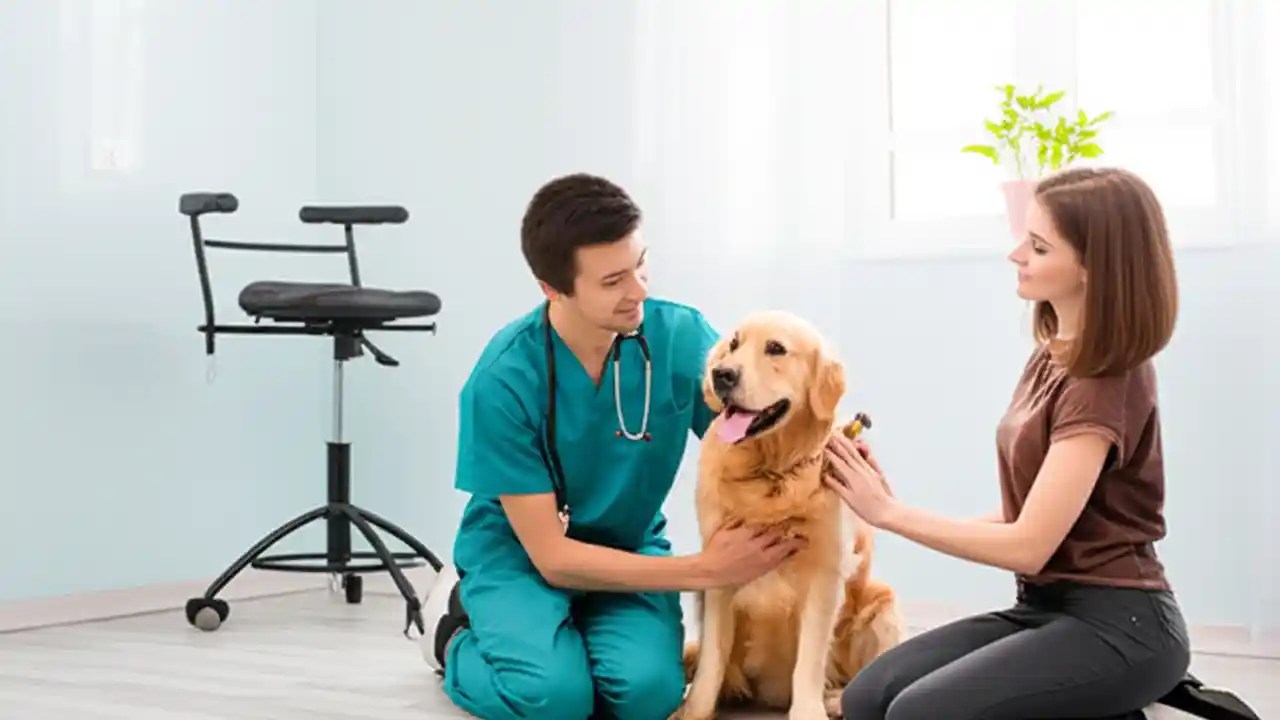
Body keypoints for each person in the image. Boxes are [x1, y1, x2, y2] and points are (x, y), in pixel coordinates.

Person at [420, 172, 805, 720]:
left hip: (627, 547)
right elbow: (552, 558)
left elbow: (757, 430)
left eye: (641, 263)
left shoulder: (680, 338)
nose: (640, 290)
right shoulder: (504, 379)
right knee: (554, 700)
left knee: (647, 697)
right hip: (521, 559)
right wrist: (706, 569)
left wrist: (829, 453)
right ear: (553, 288)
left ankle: (566, 643)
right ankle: (452, 634)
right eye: (614, 280)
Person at [823, 166, 1189, 720]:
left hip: (1123, 623)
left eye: (1038, 247)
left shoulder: (1106, 380)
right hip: (1043, 607)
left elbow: (1028, 545)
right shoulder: (1052, 354)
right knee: (867, 698)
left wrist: (891, 514)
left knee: (917, 714)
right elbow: (1028, 517)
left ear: (1093, 268)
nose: (1015, 254)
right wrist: (884, 499)